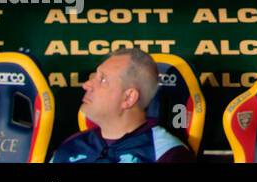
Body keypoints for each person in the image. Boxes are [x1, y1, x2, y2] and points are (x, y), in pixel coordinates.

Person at [50, 47, 193, 163]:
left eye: (102, 80)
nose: (87, 85)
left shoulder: (166, 153)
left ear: (129, 97)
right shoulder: (71, 145)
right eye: (93, 77)